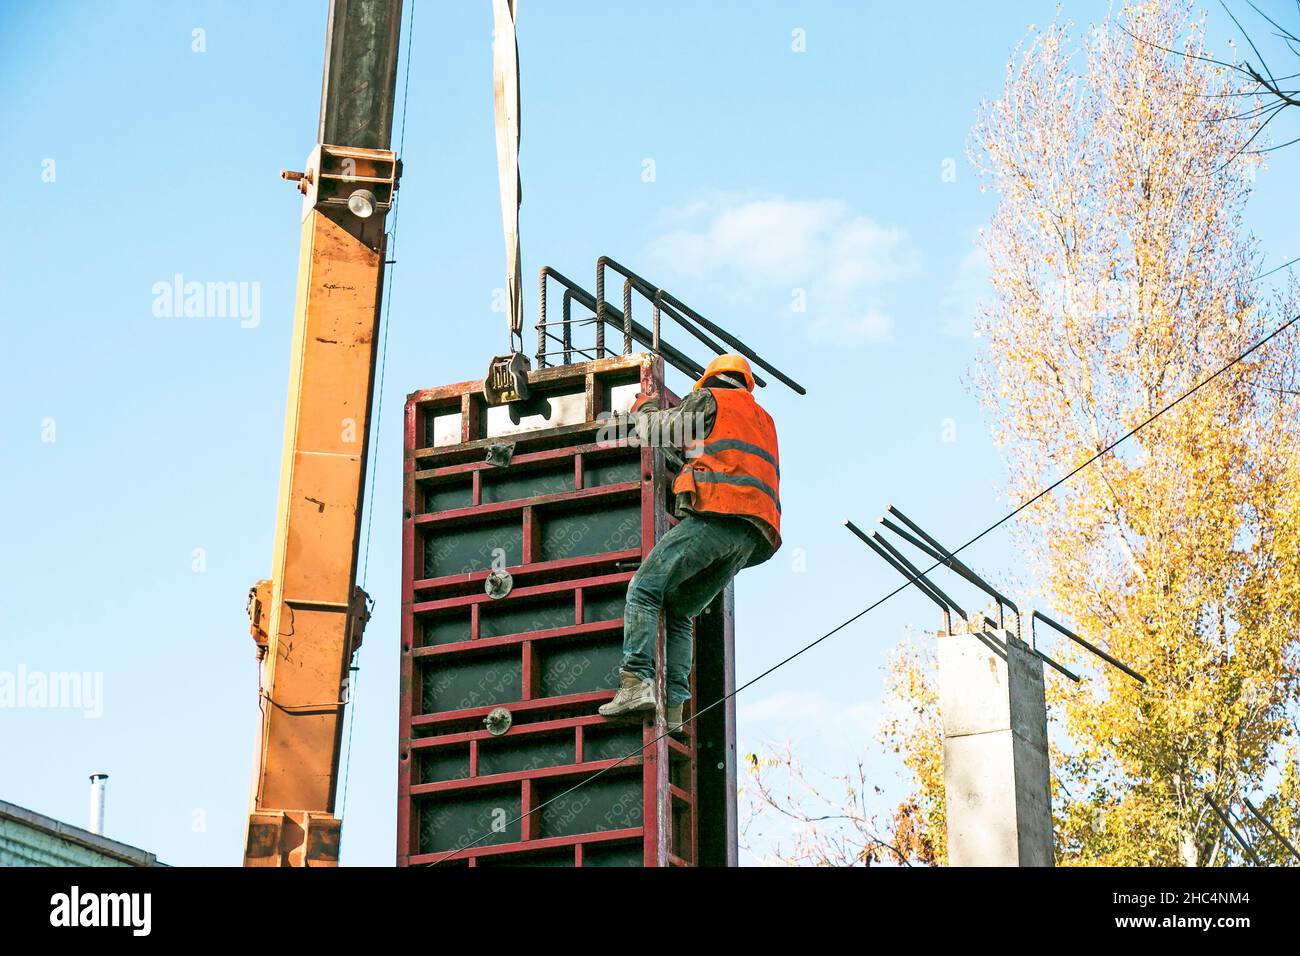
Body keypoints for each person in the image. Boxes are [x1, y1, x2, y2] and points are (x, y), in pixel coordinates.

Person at [597, 354, 781, 732]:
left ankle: (635, 682)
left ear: (710, 379)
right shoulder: (763, 420)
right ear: (745, 382)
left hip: (718, 515)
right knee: (679, 610)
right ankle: (676, 709)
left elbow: (660, 430)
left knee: (644, 588)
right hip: (752, 535)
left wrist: (645, 408)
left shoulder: (712, 398)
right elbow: (716, 452)